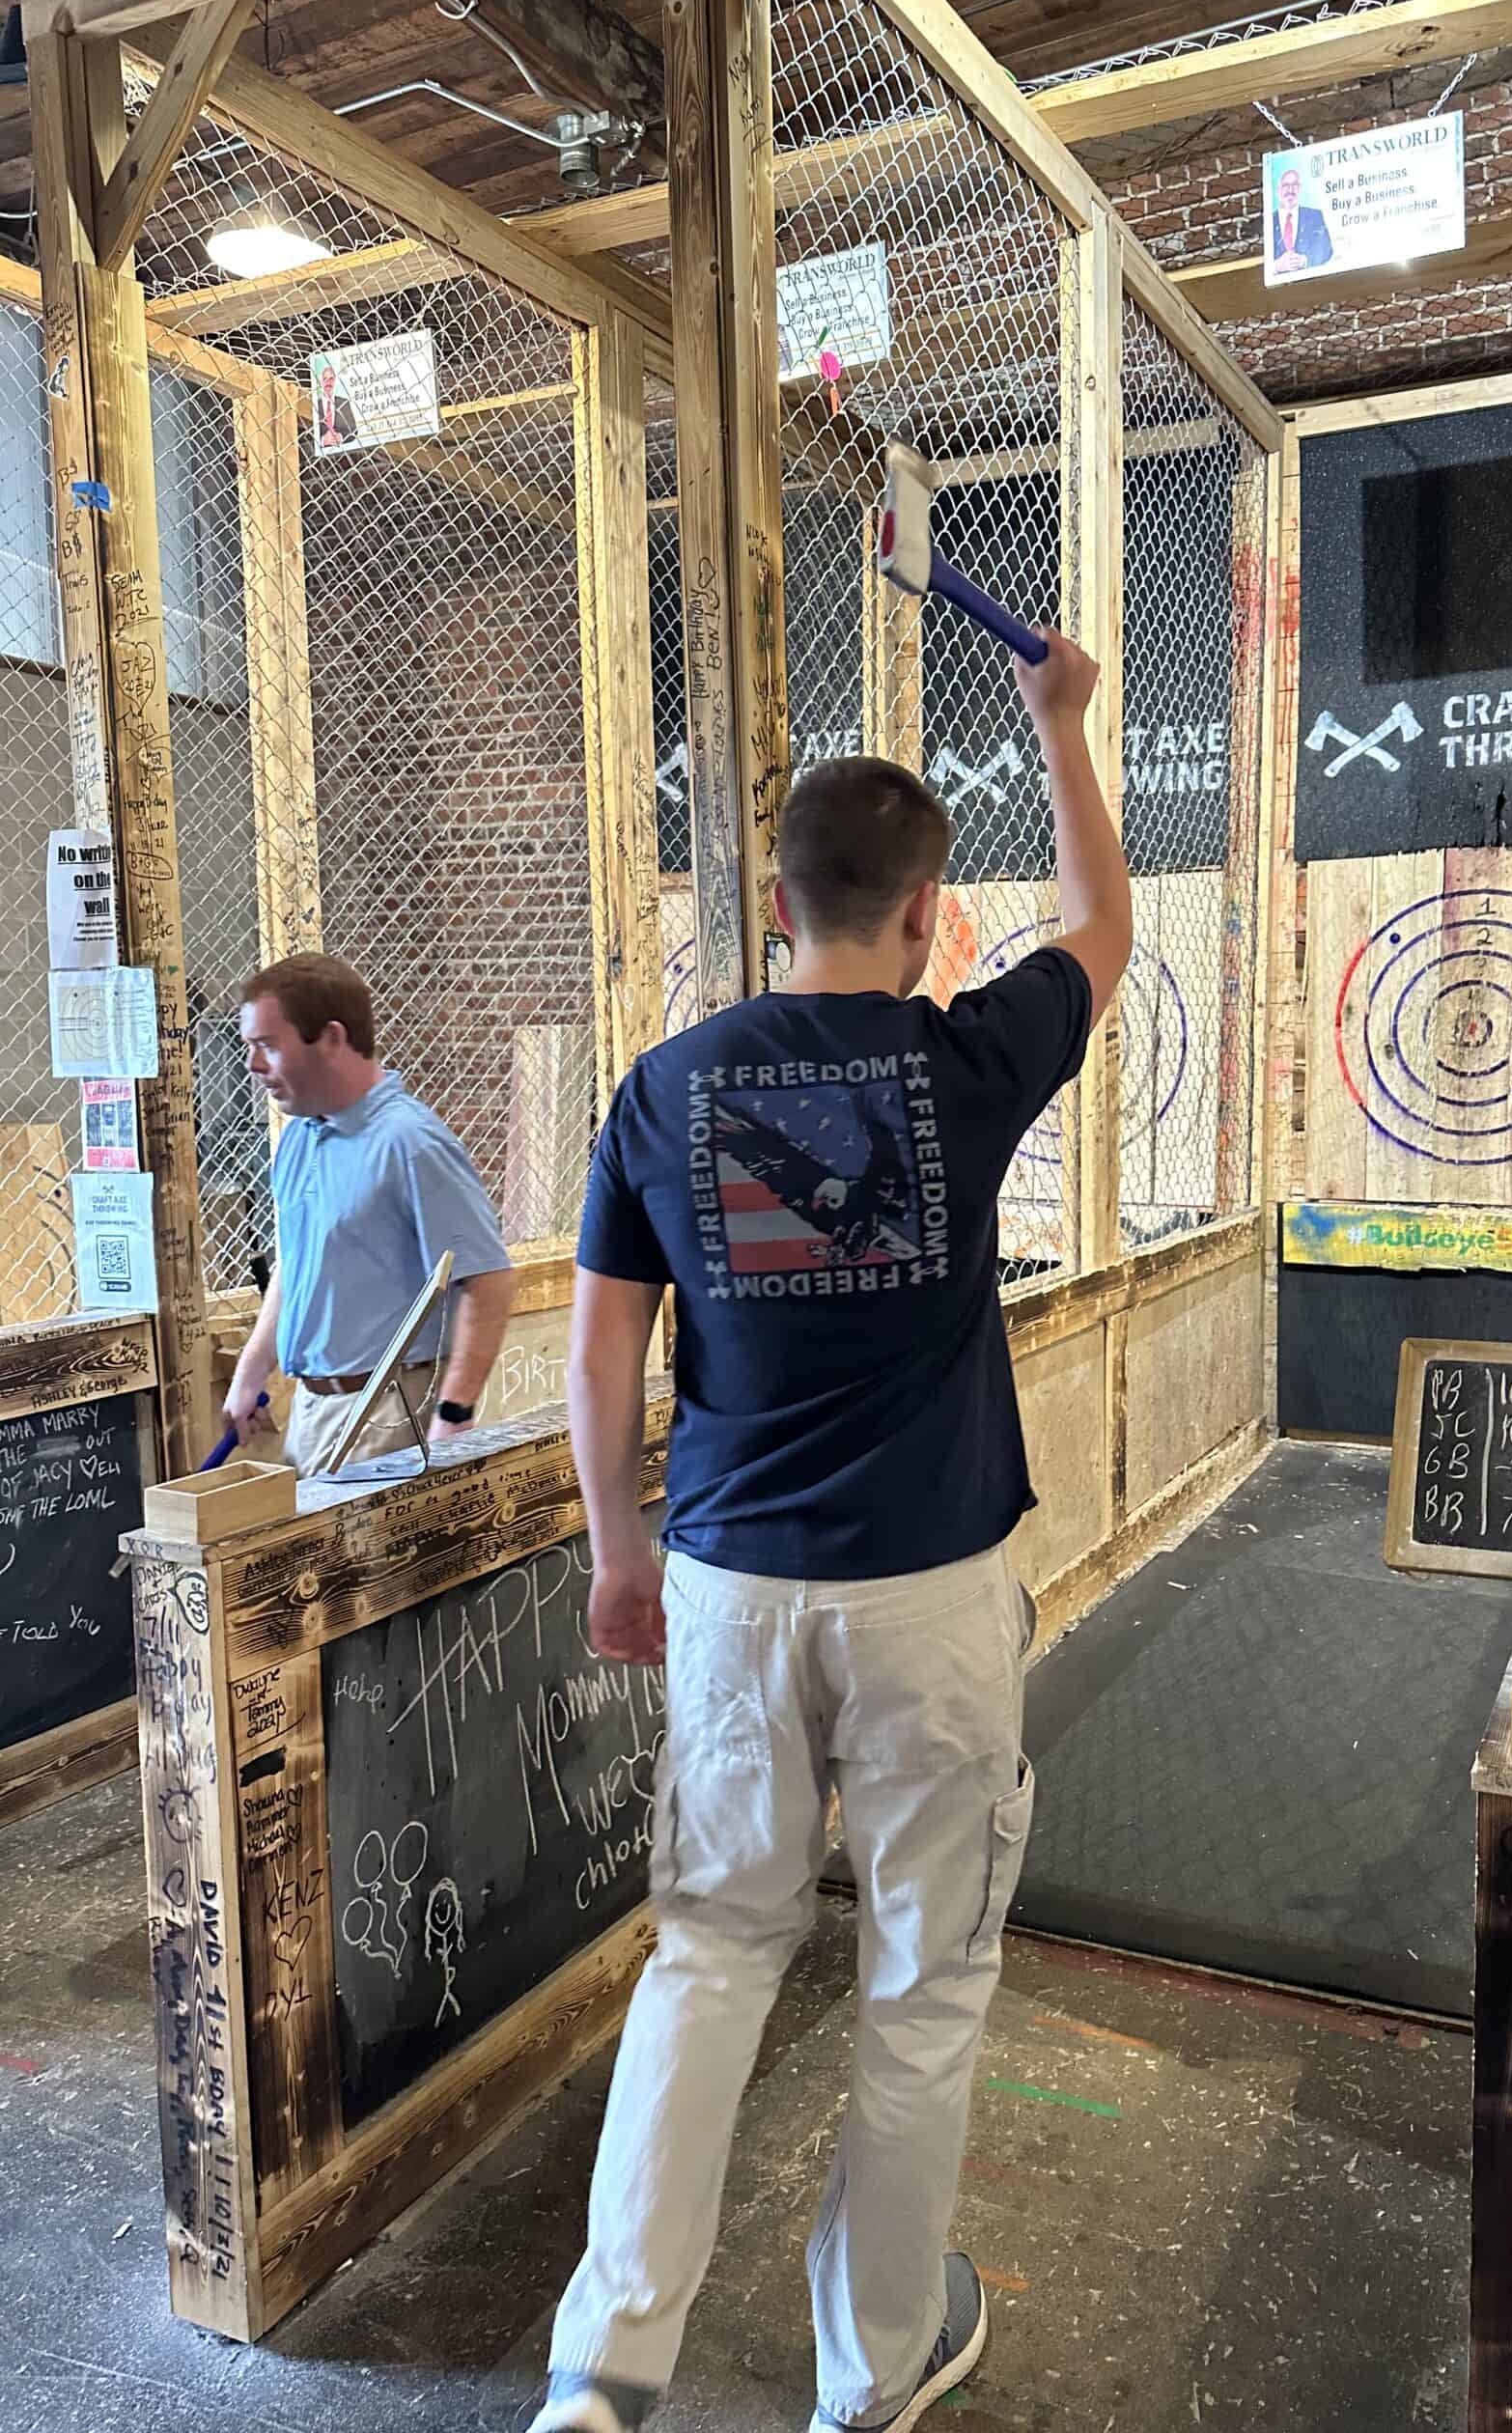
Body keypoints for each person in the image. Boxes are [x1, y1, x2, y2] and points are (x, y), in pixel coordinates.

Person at [532, 629, 1130, 2433]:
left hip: (723, 1580)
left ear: (776, 900)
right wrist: (1059, 724)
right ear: (931, 904)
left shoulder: (665, 1086)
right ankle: (871, 2376)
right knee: (921, 1982)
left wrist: (614, 1545)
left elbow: (601, 1342)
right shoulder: (969, 1062)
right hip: (930, 1595)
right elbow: (1103, 929)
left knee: (714, 1948)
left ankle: (605, 2370)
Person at [225, 954, 515, 1476]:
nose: (253, 1065)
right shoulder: (300, 1138)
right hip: (314, 1411)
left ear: (332, 1039)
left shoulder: (409, 1142)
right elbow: (298, 1264)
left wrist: (454, 1412)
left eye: (268, 1045)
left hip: (386, 1414)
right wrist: (252, 1370)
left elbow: (486, 1280)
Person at [1271, 166, 1332, 274]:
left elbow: (1326, 249)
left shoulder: (1314, 216)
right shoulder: (1269, 221)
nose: (1290, 190)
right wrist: (1276, 266)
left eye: (1294, 185)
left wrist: (1304, 261)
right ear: (1278, 190)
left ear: (1299, 189)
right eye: (1285, 185)